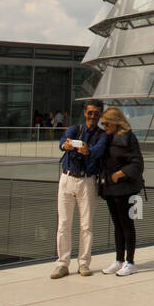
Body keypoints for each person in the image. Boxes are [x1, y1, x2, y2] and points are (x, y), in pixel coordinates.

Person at [52, 101, 110, 279]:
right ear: (85, 113)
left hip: (87, 181)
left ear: (100, 115)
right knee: (63, 224)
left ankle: (84, 263)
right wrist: (66, 146)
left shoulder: (103, 135)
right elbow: (63, 142)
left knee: (86, 225)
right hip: (67, 178)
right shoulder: (75, 129)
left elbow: (99, 150)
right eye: (90, 113)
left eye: (97, 114)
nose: (93, 117)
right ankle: (62, 263)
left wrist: (88, 151)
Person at [99, 106, 145, 275]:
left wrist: (120, 174)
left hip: (125, 188)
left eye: (106, 123)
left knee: (127, 224)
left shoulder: (128, 138)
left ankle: (130, 262)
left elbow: (137, 163)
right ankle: (119, 260)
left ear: (115, 122)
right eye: (102, 124)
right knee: (117, 225)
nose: (104, 127)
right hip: (110, 188)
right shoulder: (107, 138)